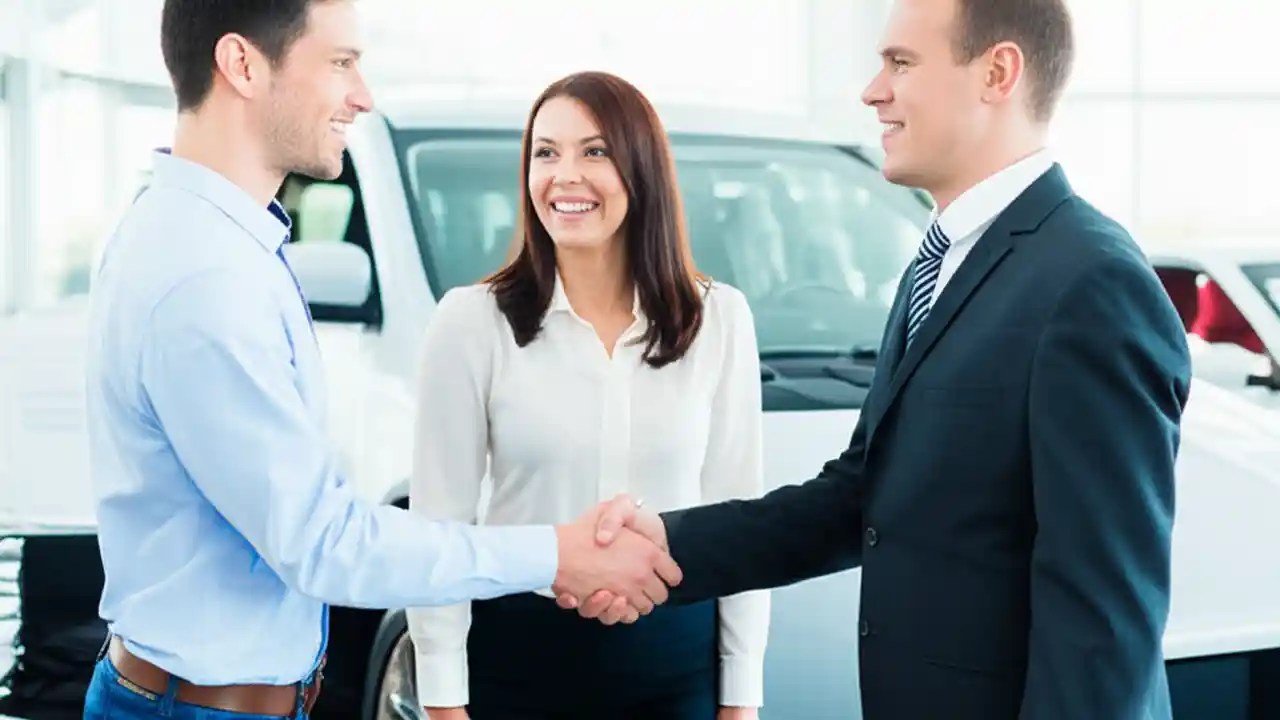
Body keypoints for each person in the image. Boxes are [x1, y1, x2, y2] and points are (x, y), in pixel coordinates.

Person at [563, 0, 1193, 718]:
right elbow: (864, 497)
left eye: (900, 62)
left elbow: (1103, 624)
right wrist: (668, 543)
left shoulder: (1092, 283)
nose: (872, 91)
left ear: (998, 72)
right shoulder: (943, 263)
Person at [81, 3, 678, 719]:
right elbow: (324, 543)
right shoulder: (206, 275)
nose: (363, 94)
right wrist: (558, 554)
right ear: (242, 65)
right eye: (341, 63)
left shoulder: (204, 237)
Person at [406, 71, 770, 720]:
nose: (564, 175)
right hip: (517, 660)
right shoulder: (470, 322)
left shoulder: (721, 319)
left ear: (642, 170)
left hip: (675, 663)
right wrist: (442, 700)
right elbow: (440, 527)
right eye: (546, 152)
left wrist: (742, 697)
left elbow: (737, 517)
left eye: (594, 151)